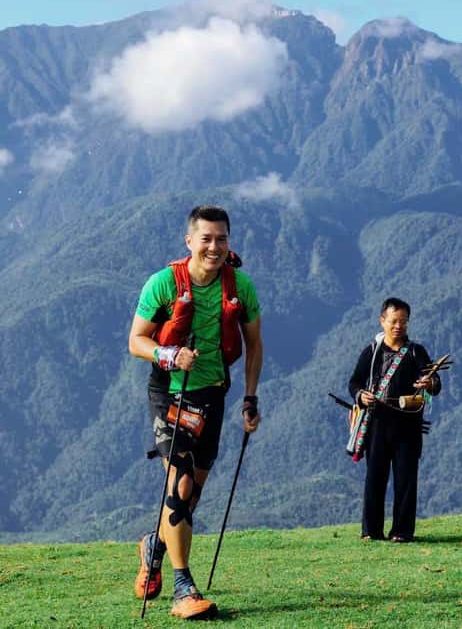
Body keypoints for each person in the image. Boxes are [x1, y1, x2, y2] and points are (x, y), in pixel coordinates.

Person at [129, 205, 263, 621]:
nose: (214, 246)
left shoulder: (240, 285)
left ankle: (155, 545)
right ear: (189, 241)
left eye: (221, 238)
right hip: (170, 393)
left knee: (194, 492)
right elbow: (136, 340)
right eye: (206, 238)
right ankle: (183, 587)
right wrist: (169, 354)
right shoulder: (163, 284)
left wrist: (250, 398)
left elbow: (254, 344)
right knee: (181, 482)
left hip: (213, 394)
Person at [348, 297, 441, 542]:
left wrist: (429, 383)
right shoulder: (372, 351)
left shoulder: (415, 351)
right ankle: (371, 530)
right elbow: (354, 382)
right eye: (393, 321)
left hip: (408, 425)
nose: (398, 326)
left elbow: (434, 381)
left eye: (403, 321)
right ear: (382, 321)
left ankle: (402, 531)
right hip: (376, 424)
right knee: (375, 478)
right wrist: (361, 396)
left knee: (406, 479)